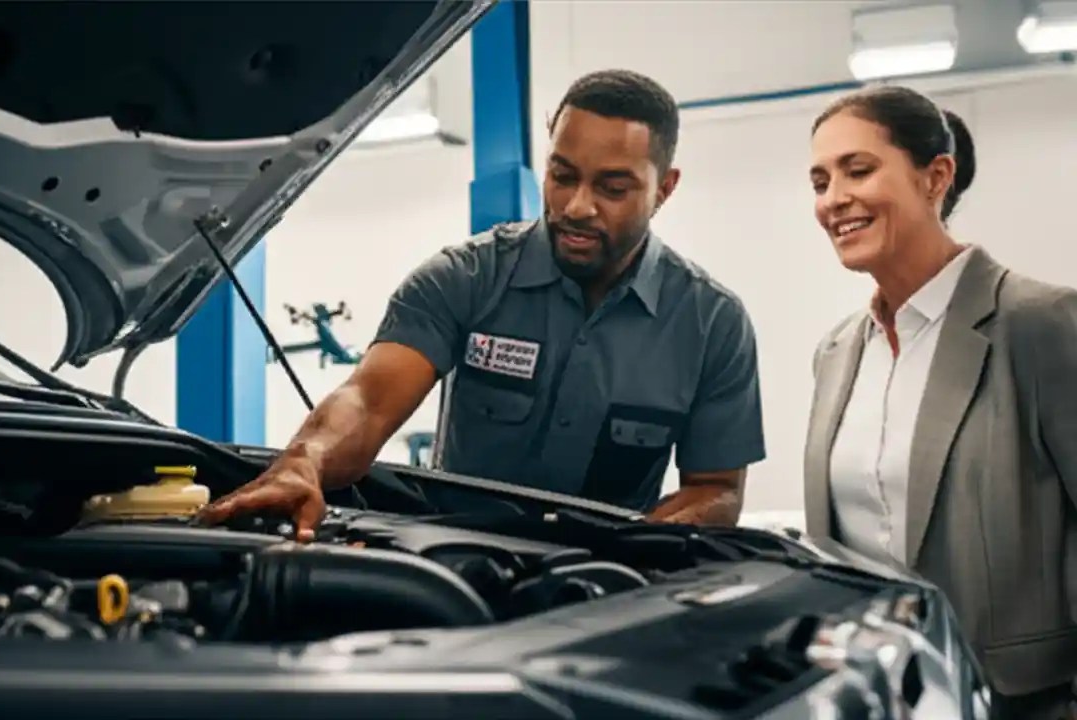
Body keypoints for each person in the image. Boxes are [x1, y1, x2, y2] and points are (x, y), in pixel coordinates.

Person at [198, 69, 766, 540]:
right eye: (561, 176)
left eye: (613, 189)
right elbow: (367, 402)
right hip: (459, 569)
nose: (577, 206)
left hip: (608, 585)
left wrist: (637, 547)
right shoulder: (464, 278)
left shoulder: (712, 323)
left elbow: (714, 489)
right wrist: (305, 460)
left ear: (664, 188)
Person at [802, 85, 1077, 719]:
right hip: (877, 695)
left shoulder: (1037, 324)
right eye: (819, 181)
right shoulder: (837, 352)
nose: (833, 198)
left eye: (858, 170)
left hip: (1021, 702)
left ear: (936, 178)